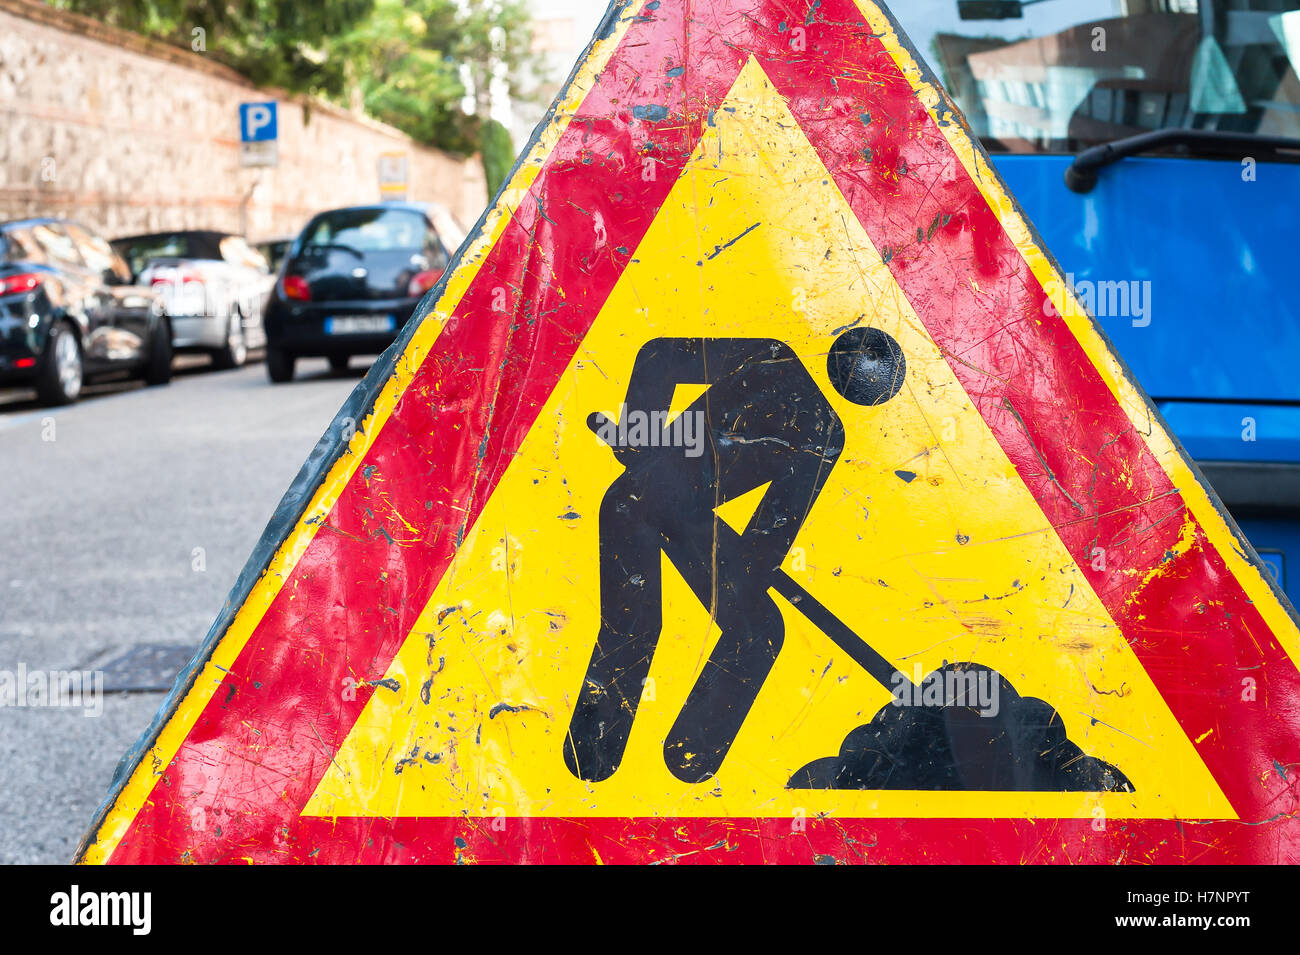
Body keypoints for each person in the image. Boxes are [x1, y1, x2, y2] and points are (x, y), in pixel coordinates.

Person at [564, 330, 904, 784]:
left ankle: (689, 758)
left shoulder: (824, 430)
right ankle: (592, 755)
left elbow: (769, 537)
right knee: (637, 623)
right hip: (636, 503)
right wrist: (637, 430)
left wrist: (746, 567)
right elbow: (660, 355)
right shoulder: (773, 360)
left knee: (758, 628)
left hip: (690, 522)